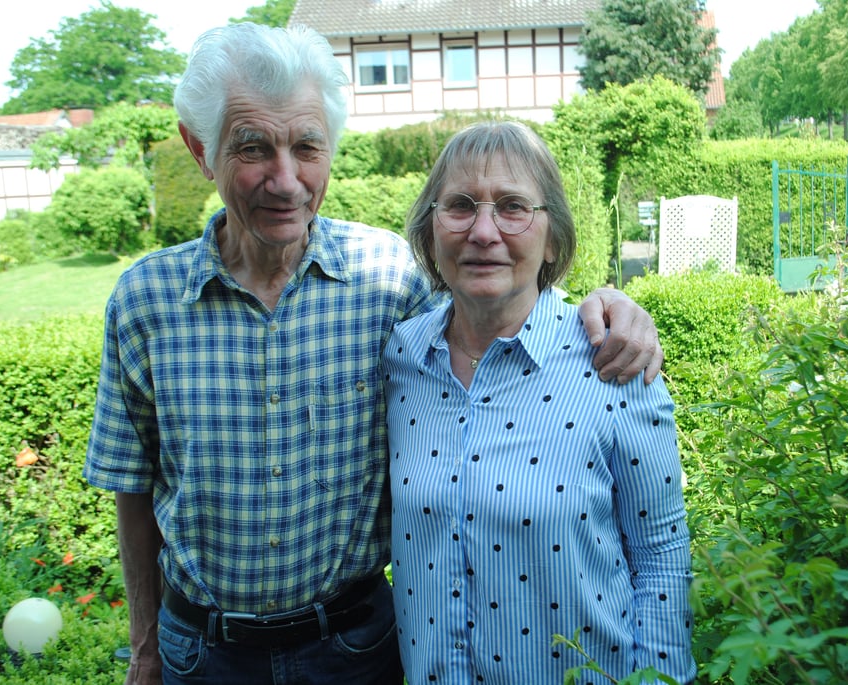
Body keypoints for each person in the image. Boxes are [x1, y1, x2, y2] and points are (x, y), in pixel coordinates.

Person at [84, 22, 663, 685]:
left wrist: (610, 307)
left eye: (306, 146)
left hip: (354, 651)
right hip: (205, 654)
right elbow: (132, 488)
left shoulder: (387, 280)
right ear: (200, 148)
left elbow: (494, 304)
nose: (285, 179)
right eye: (252, 148)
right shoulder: (145, 302)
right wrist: (145, 650)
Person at [382, 121, 695, 684]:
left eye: (512, 207)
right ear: (431, 231)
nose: (483, 231)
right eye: (459, 206)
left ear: (553, 238)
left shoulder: (612, 363)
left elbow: (662, 554)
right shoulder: (403, 361)